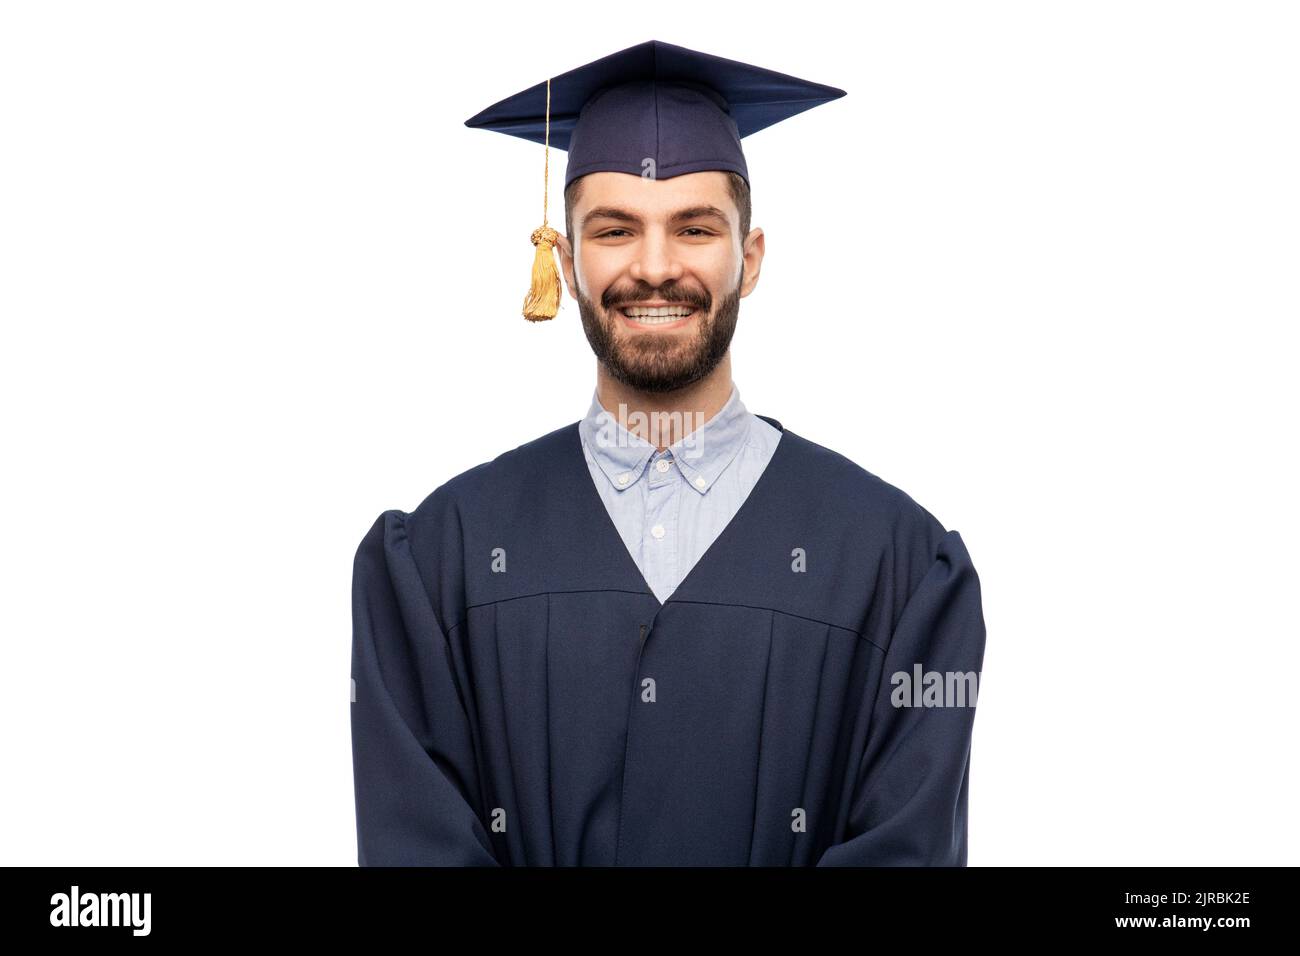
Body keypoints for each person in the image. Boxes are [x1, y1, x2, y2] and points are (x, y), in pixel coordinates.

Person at [349, 39, 987, 866]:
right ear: (570, 263)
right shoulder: (441, 560)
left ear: (748, 261)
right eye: (616, 231)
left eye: (694, 228)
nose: (655, 268)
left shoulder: (896, 565)